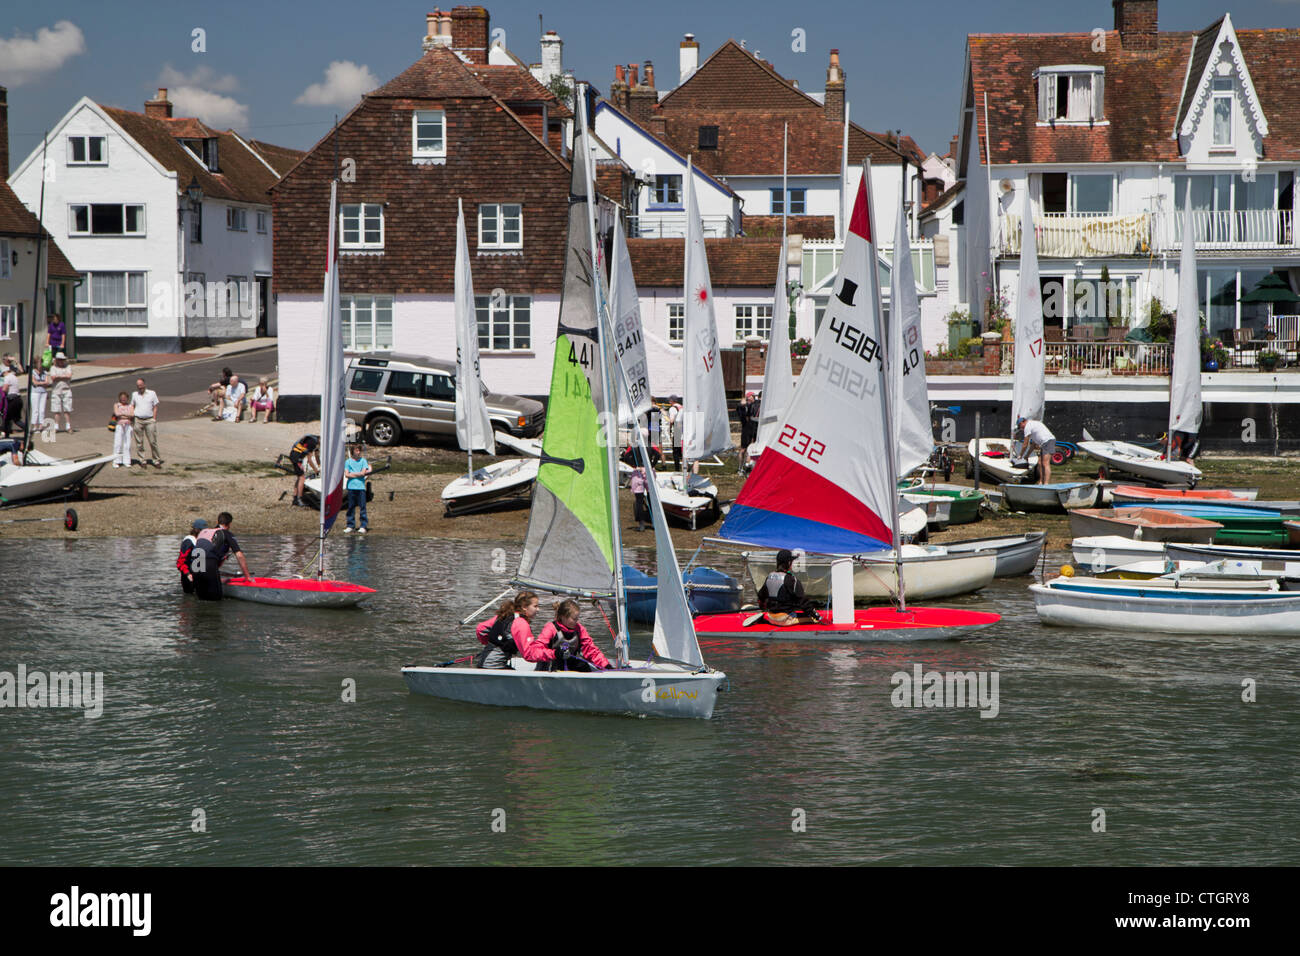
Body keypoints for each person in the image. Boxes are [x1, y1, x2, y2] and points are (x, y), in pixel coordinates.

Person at [528, 599, 614, 672]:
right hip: (549, 664)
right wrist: (554, 653)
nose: (577, 621)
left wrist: (606, 665)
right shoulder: (551, 628)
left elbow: (591, 650)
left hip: (568, 662)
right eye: (574, 619)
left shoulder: (579, 629)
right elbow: (536, 651)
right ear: (563, 617)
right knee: (553, 666)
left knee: (584, 667)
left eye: (577, 618)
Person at [189, 511, 251, 601]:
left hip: (194, 565)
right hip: (208, 563)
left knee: (201, 600)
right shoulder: (226, 533)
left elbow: (206, 550)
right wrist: (247, 576)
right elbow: (239, 555)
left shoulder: (204, 532)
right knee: (215, 600)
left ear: (217, 521)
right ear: (229, 524)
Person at [473, 591, 541, 669]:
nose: (538, 609)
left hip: (484, 663)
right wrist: (551, 654)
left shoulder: (504, 615)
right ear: (524, 607)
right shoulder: (520, 623)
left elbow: (481, 629)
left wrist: (491, 644)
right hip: (494, 667)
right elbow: (528, 654)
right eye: (535, 606)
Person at [758, 549, 820, 623]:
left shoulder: (769, 576)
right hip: (784, 619)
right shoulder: (792, 580)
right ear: (789, 563)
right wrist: (816, 616)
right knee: (814, 619)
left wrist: (762, 607)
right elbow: (803, 602)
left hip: (771, 617)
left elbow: (761, 597)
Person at [1015, 415, 1055, 484]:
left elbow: (1025, 444)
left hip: (1048, 441)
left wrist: (1020, 455)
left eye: (1020, 426)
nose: (1021, 429)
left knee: (1045, 463)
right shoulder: (1032, 427)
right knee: (1039, 463)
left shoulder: (1028, 427)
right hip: (1045, 443)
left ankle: (1046, 483)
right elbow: (1033, 445)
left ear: (1022, 423)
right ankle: (1041, 482)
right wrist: (1027, 455)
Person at [131, 377, 162, 466]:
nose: (140, 387)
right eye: (138, 386)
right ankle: (142, 459)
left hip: (149, 420)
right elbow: (132, 406)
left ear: (144, 384)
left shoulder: (152, 393)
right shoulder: (135, 394)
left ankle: (156, 459)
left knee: (152, 441)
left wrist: (154, 418)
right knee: (139, 442)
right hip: (138, 420)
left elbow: (155, 406)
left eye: (141, 385)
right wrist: (133, 417)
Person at [343, 443, 372, 533]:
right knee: (351, 506)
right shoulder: (348, 462)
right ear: (353, 452)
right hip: (351, 487)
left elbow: (363, 473)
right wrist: (357, 474)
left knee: (362, 507)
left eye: (359, 450)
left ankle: (363, 525)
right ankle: (350, 525)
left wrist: (353, 474)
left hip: (361, 487)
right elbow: (347, 474)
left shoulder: (363, 461)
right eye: (356, 450)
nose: (358, 452)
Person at [175, 518, 208, 594]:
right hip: (189, 576)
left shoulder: (202, 541)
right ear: (197, 530)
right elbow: (180, 562)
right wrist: (188, 574)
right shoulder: (188, 541)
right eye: (203, 531)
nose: (205, 533)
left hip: (199, 575)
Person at [289, 434, 320, 506]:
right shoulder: (313, 443)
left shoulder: (313, 439)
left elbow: (316, 455)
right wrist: (316, 470)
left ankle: (295, 497)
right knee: (302, 478)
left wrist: (318, 465)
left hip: (294, 455)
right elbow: (309, 460)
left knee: (299, 477)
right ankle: (300, 499)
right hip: (297, 458)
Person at [48, 352, 73, 433]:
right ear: (56, 360)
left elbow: (69, 376)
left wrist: (59, 376)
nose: (61, 361)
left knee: (67, 409)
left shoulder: (68, 366)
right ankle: (56, 427)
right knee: (56, 410)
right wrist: (63, 376)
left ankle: (68, 426)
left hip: (66, 389)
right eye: (59, 360)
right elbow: (53, 377)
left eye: (62, 360)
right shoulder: (53, 368)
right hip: (56, 390)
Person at [737, 391, 759, 472]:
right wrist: (742, 404)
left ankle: (748, 465)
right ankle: (740, 468)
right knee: (743, 449)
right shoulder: (743, 406)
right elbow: (742, 415)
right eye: (751, 397)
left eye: (753, 396)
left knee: (752, 447)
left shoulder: (755, 404)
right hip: (746, 429)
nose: (752, 398)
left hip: (753, 428)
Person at [111, 391, 134, 467]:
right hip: (119, 425)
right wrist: (127, 415)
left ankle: (126, 460)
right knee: (118, 443)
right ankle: (116, 460)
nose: (123, 399)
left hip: (128, 425)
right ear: (120, 398)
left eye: (125, 398)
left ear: (127, 398)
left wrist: (122, 415)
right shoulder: (116, 405)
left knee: (127, 443)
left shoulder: (130, 405)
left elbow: (132, 415)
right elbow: (117, 414)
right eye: (122, 398)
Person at [1, 357, 22, 438]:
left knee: (9, 417)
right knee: (10, 418)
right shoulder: (13, 375)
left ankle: (6, 434)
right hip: (16, 397)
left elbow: (5, 389)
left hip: (11, 398)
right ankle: (6, 433)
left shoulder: (8, 376)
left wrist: (15, 360)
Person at [629, 455, 650, 531]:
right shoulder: (651, 446)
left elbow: (627, 456)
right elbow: (657, 454)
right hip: (648, 471)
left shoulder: (633, 448)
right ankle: (654, 522)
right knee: (650, 500)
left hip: (639, 473)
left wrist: (634, 466)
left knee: (639, 502)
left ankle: (642, 524)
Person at [30, 363, 51, 433]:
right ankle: (35, 426)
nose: (40, 366)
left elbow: (47, 382)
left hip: (43, 392)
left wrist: (40, 383)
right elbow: (34, 382)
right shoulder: (32, 372)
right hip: (35, 392)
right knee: (35, 409)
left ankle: (41, 426)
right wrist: (43, 383)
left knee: (42, 410)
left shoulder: (45, 372)